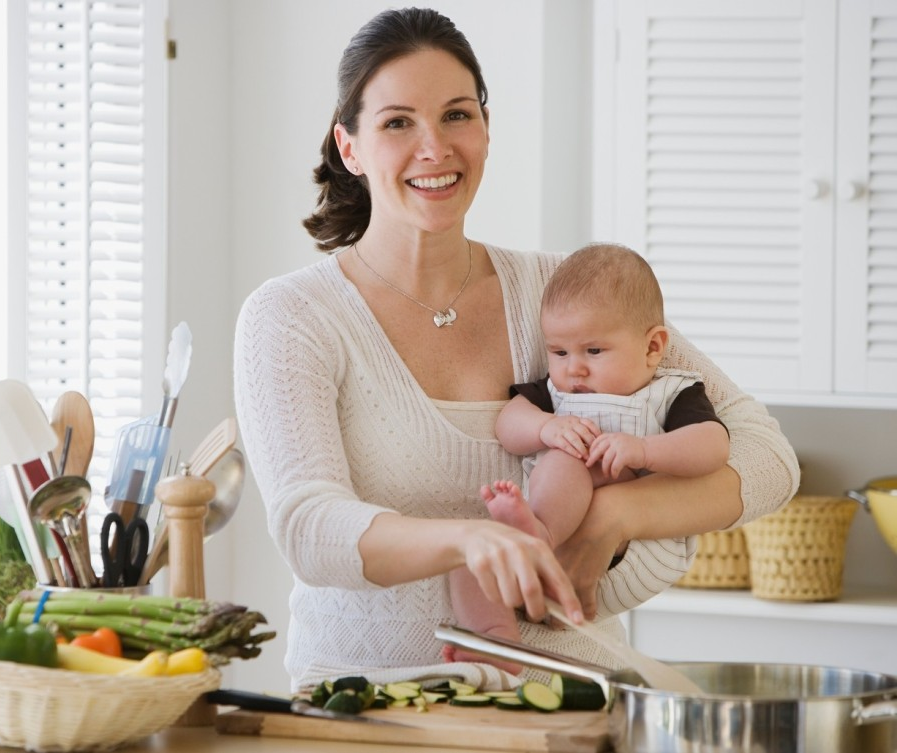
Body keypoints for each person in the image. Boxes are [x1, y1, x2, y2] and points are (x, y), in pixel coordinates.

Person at [233, 7, 799, 692]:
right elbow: (309, 527)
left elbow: (769, 457)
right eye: (397, 122)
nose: (435, 147)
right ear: (349, 147)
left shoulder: (563, 294)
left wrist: (621, 511)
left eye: (457, 115)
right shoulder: (292, 315)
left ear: (487, 128)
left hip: (573, 699)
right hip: (371, 708)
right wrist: (470, 538)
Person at [447, 243, 731, 655]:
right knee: (467, 556)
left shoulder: (671, 391)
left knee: (571, 461)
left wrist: (646, 450)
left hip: (633, 544)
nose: (573, 368)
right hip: (555, 524)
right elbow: (509, 424)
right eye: (559, 352)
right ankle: (497, 643)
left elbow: (713, 446)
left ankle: (539, 530)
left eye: (593, 351)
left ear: (653, 347)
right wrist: (546, 426)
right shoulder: (554, 392)